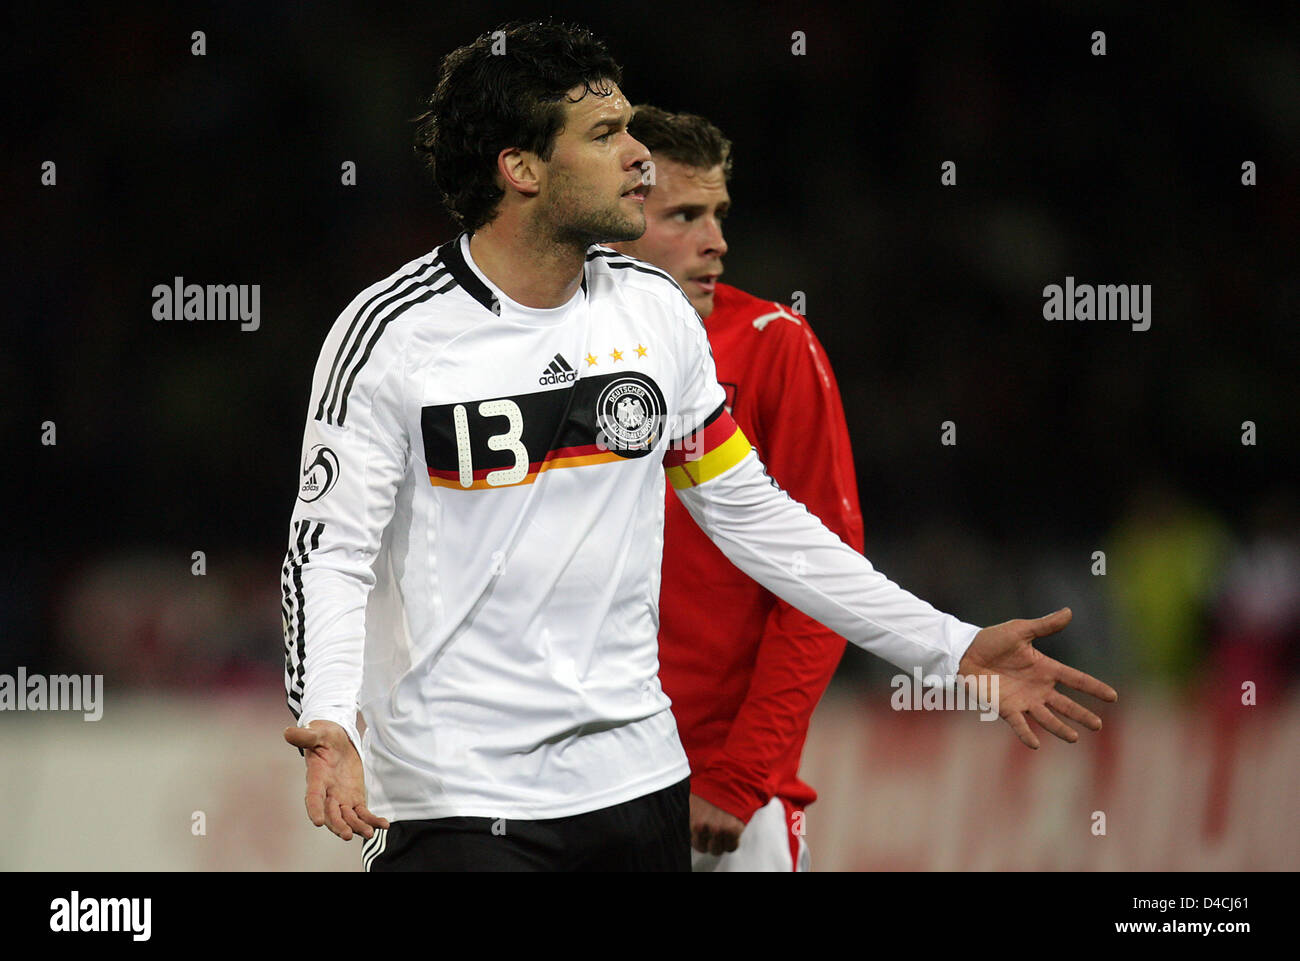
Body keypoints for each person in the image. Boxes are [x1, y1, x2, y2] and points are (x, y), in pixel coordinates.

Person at [279, 21, 1117, 872]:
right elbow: (329, 551)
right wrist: (331, 722)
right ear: (521, 167)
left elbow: (754, 516)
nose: (640, 155)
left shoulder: (651, 313)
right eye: (606, 136)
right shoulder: (392, 334)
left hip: (636, 786)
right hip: (456, 798)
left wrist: (951, 647)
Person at [609, 105, 862, 871]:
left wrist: (739, 774)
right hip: (567, 790)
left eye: (718, 213)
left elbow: (823, 585)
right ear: (615, 218)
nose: (716, 240)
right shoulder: (540, 350)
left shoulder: (773, 348)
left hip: (718, 802)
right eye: (684, 215)